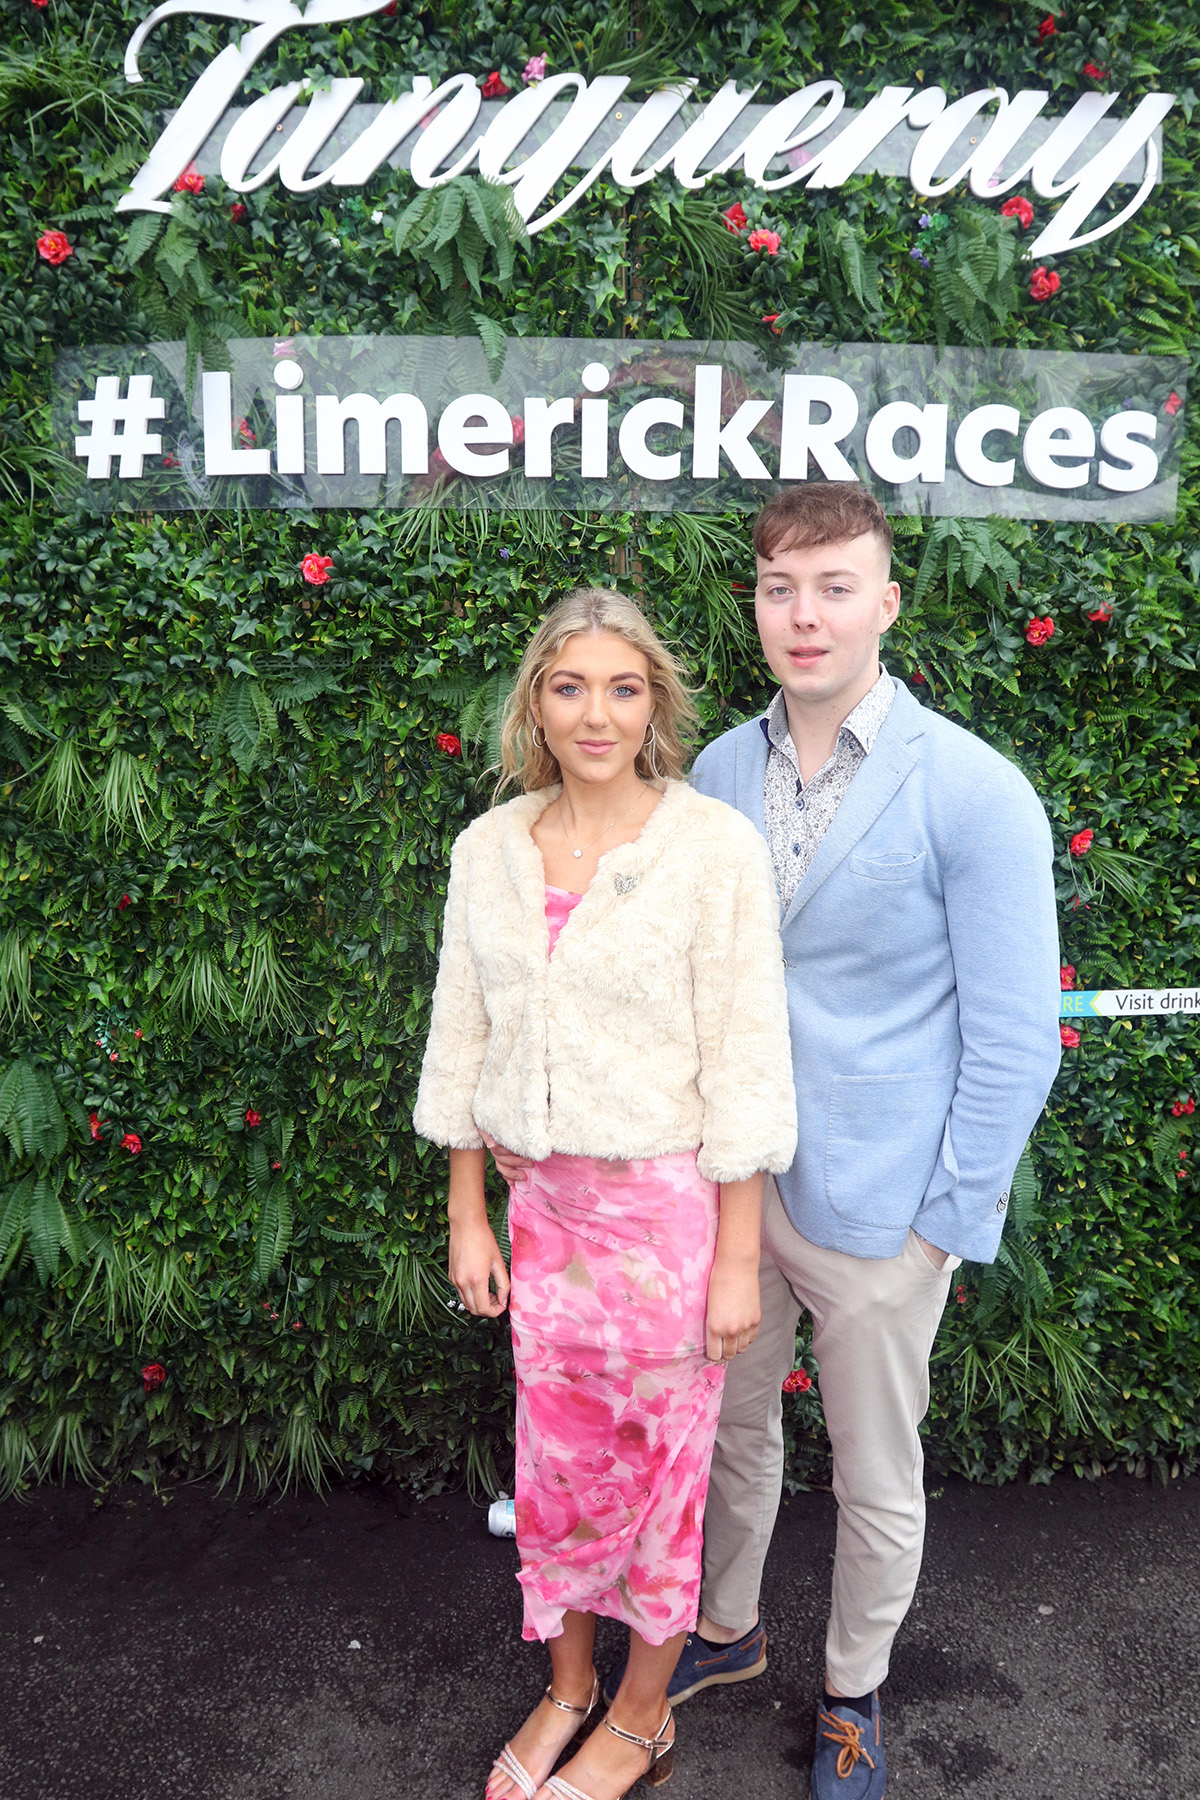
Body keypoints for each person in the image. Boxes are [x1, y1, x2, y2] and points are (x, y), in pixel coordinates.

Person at [502, 488, 1062, 1799]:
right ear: (754, 606)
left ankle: (854, 1692)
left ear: (886, 602)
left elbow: (1017, 1037)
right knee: (731, 1440)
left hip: (883, 1215)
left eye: (832, 587)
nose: (803, 616)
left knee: (877, 1472)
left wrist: (945, 1223)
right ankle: (728, 1630)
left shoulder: (974, 792)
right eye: (778, 590)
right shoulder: (715, 776)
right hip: (728, 1200)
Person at [413, 587, 798, 1800]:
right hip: (545, 1223)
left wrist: (739, 1258)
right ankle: (567, 1687)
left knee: (662, 1476)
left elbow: (745, 1059)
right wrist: (468, 1211)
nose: (596, 713)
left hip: (668, 1228)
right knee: (558, 1472)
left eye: (623, 687)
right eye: (570, 686)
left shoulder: (711, 848)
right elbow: (459, 1037)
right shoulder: (490, 849)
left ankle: (640, 1716)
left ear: (657, 706)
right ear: (536, 699)